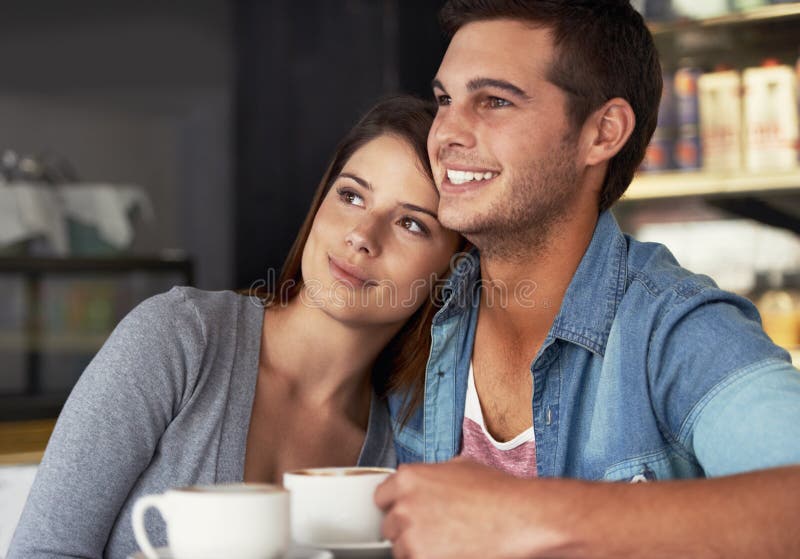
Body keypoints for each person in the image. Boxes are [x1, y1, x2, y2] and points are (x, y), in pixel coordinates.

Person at [374, 2, 800, 558]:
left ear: (602, 132)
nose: (446, 133)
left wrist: (523, 515)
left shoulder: (674, 330)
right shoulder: (412, 306)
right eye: (445, 100)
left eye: (494, 101)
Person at [8, 95, 463, 559]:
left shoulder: (399, 451)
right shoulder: (179, 338)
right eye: (351, 196)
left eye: (410, 223)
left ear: (452, 269)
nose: (362, 236)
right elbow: (42, 551)